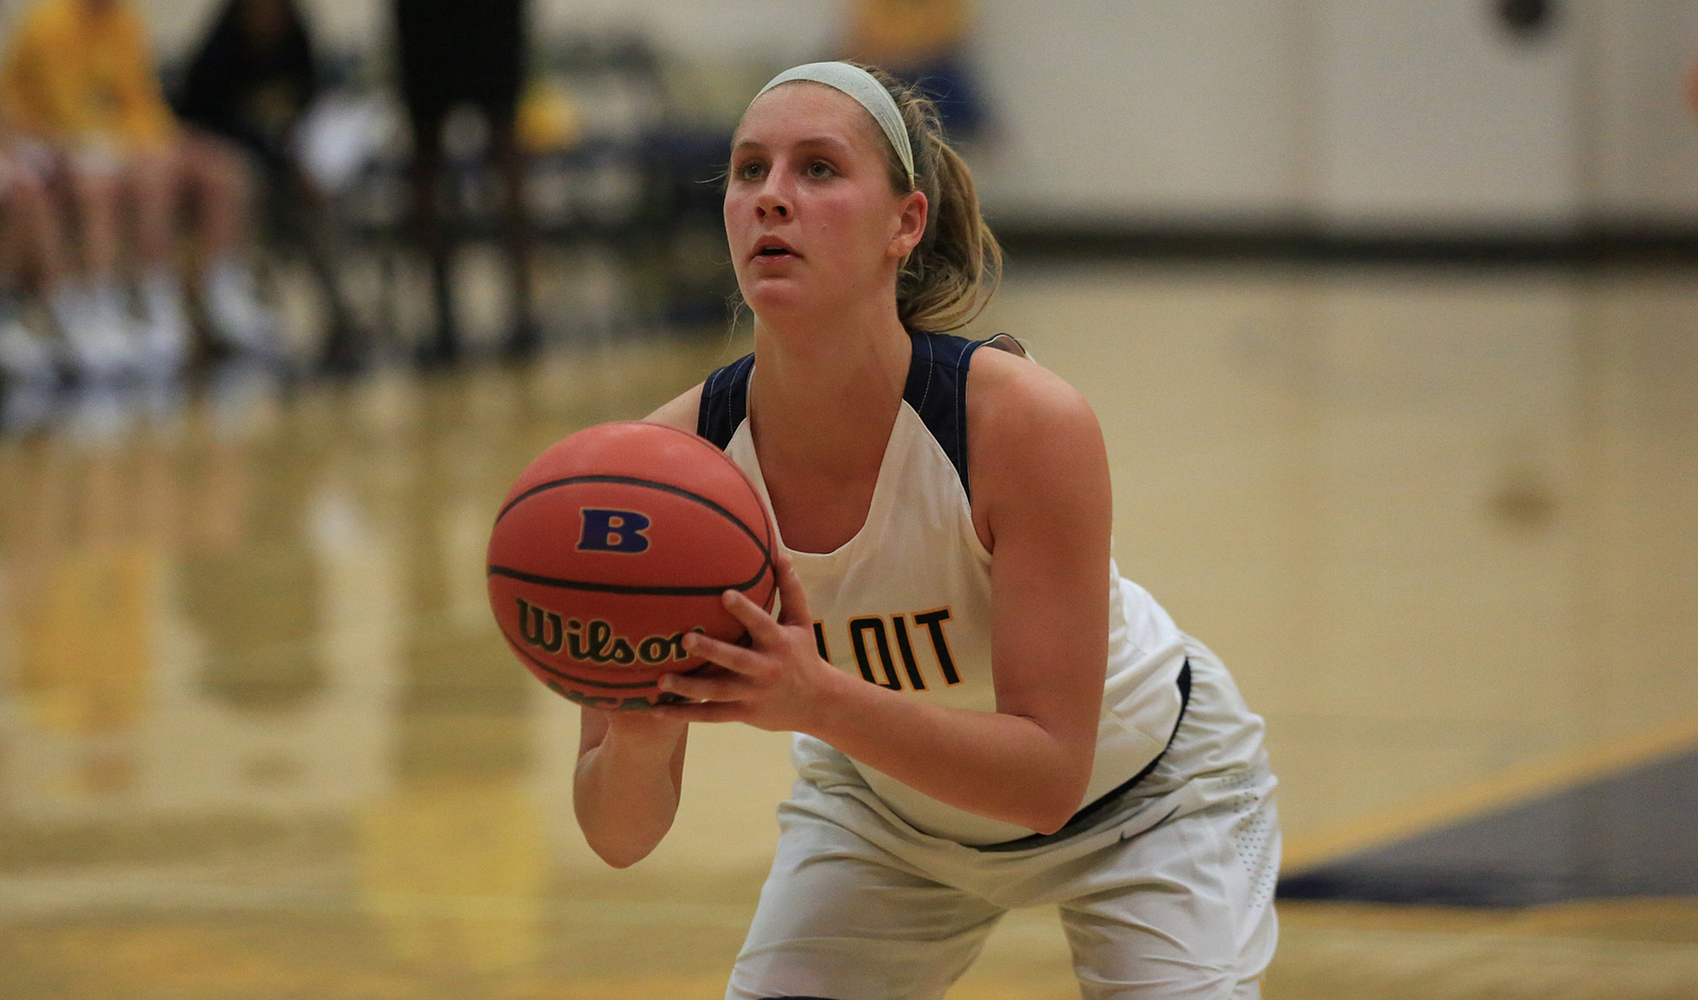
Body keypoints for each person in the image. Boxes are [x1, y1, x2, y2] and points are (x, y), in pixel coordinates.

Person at [571, 62, 1280, 999]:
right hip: (883, 819)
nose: (772, 196)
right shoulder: (669, 464)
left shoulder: (1019, 423)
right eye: (749, 170)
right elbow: (619, 838)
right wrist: (637, 730)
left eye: (818, 168)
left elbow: (1046, 781)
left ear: (904, 222)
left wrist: (817, 700)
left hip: (1152, 800)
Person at [0, 0, 280, 376]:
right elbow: (64, 112)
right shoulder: (48, 24)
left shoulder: (125, 22)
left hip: (116, 141)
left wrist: (153, 146)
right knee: (108, 184)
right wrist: (125, 149)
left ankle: (221, 293)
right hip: (60, 141)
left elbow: (142, 103)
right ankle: (100, 307)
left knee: (225, 170)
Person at [173, 0, 365, 372]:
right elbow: (208, 124)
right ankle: (238, 315)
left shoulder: (297, 41)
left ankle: (340, 316)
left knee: (320, 209)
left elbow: (309, 107)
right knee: (240, 186)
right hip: (236, 173)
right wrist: (277, 154)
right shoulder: (218, 53)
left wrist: (304, 158)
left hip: (286, 174)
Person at [393, 0, 536, 364]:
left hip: (470, 21)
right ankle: (445, 315)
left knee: (503, 164)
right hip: (437, 22)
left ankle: (518, 313)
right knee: (431, 171)